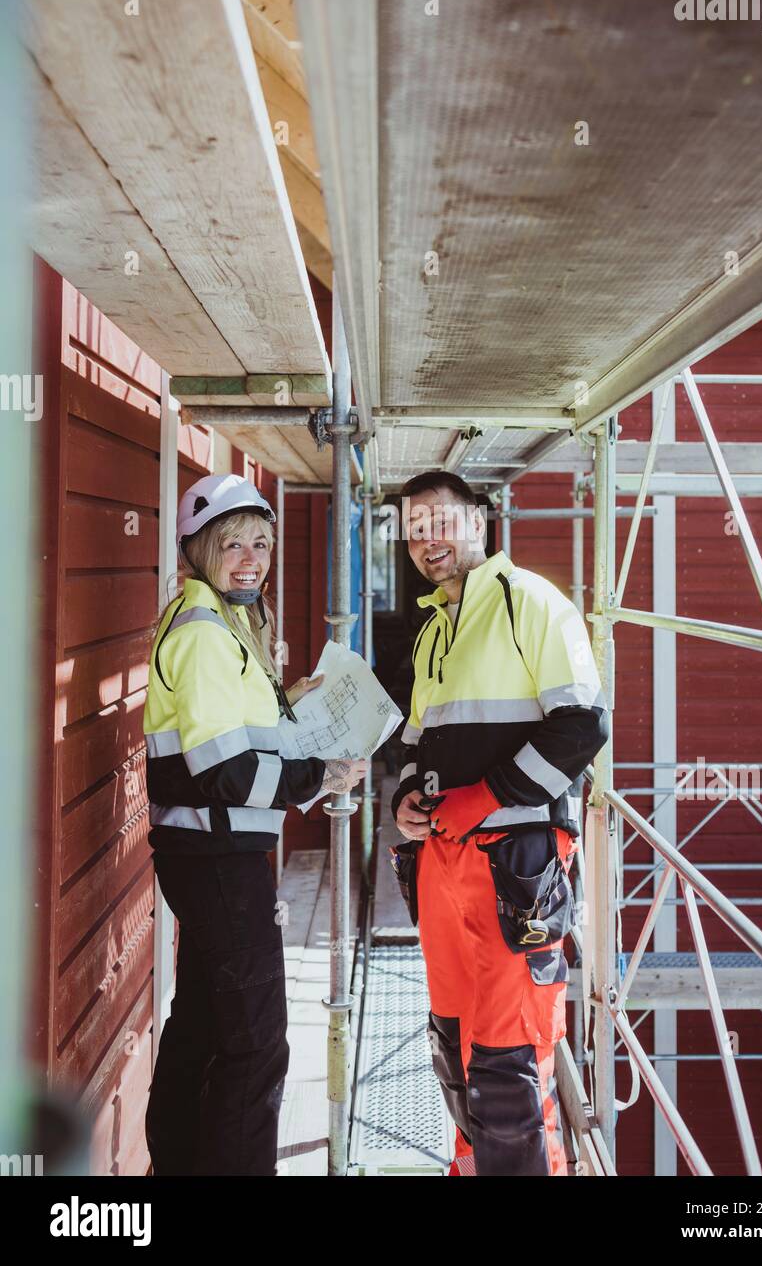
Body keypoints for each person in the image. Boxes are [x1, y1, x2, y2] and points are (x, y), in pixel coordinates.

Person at [143, 472, 365, 1176]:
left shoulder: (218, 623)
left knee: (205, 1023)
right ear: (197, 548)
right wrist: (322, 776)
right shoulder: (208, 635)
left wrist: (286, 705)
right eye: (231, 542)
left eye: (261, 543)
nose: (251, 557)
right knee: (258, 1042)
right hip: (216, 855)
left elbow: (231, 739)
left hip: (208, 850)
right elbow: (227, 773)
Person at [391, 470, 610, 1176]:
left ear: (479, 519)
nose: (428, 540)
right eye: (413, 528)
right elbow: (417, 744)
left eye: (440, 520)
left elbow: (583, 728)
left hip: (515, 866)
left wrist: (483, 797)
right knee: (455, 1049)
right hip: (443, 866)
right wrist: (405, 800)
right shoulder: (432, 633)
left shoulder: (533, 605)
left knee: (510, 1060)